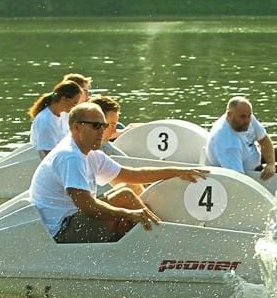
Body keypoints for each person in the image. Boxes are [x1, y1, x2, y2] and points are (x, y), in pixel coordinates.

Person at [30, 102, 206, 244]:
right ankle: (162, 244)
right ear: (76, 128)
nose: (103, 131)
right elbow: (87, 207)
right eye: (96, 126)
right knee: (126, 199)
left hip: (75, 219)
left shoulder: (91, 154)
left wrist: (175, 171)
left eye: (104, 126)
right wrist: (126, 214)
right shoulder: (70, 157)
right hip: (62, 231)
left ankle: (155, 237)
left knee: (126, 190)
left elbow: (133, 175)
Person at [204, 96, 277, 180]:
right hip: (248, 174)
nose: (247, 121)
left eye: (249, 116)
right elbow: (238, 180)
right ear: (229, 115)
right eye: (242, 117)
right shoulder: (228, 144)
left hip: (254, 159)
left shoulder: (246, 115)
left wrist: (271, 164)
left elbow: (264, 140)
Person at [28, 80, 84, 158]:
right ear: (64, 99)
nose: (75, 107)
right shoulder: (45, 121)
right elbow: (48, 155)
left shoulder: (65, 113)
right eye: (74, 103)